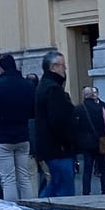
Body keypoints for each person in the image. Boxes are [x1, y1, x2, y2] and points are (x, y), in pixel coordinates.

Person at [0, 54, 36, 201]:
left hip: (1, 138)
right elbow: (33, 111)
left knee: (8, 179)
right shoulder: (27, 85)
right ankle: (29, 208)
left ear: (1, 68)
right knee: (24, 177)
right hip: (23, 136)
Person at [34, 50, 76, 198]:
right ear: (54, 67)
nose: (65, 70)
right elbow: (58, 121)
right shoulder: (53, 89)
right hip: (59, 149)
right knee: (63, 189)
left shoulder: (44, 86)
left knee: (54, 184)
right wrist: (70, 140)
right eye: (63, 66)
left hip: (49, 147)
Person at [79, 87, 105, 195]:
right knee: (103, 167)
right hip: (100, 142)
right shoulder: (100, 107)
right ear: (92, 95)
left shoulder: (79, 108)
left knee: (87, 169)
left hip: (86, 143)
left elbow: (75, 126)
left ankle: (86, 191)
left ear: (84, 95)